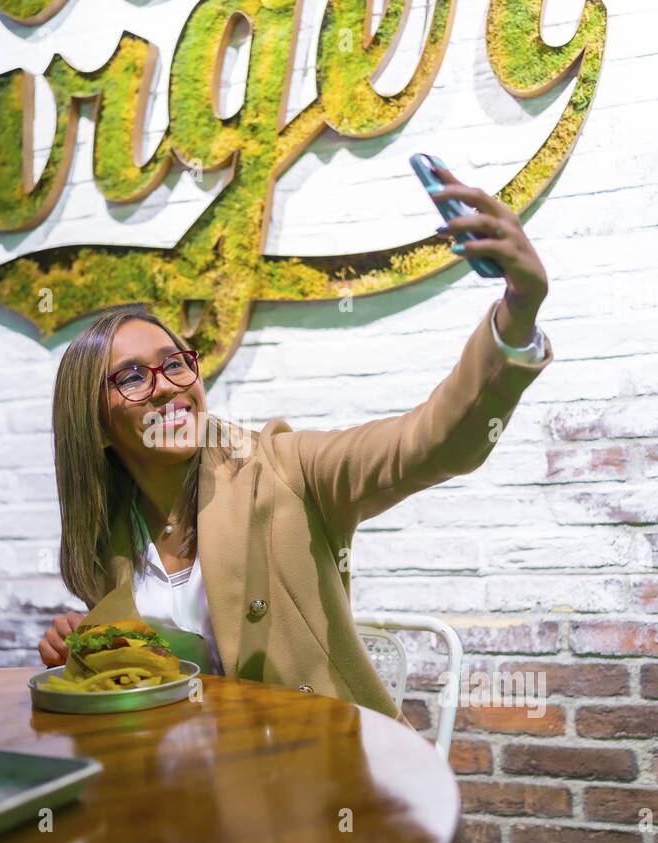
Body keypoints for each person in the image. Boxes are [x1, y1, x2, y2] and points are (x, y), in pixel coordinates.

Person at [40, 166, 553, 729]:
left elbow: (433, 442)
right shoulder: (109, 535)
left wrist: (519, 310)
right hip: (185, 777)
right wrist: (87, 645)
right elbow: (150, 676)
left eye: (175, 363)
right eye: (133, 377)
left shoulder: (285, 470)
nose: (168, 386)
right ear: (94, 424)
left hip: (316, 773)